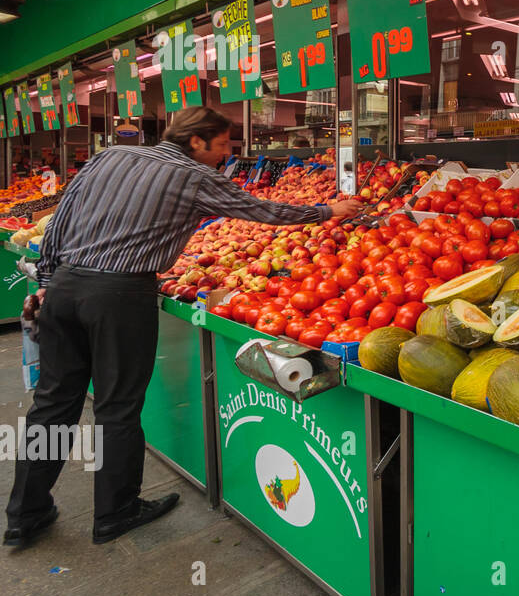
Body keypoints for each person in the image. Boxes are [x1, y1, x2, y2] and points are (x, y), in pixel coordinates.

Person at [4, 107, 363, 550]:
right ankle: (115, 513)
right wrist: (328, 209)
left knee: (51, 404)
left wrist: (44, 282)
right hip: (119, 296)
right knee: (117, 407)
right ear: (198, 142)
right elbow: (261, 211)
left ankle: (25, 514)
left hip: (64, 287)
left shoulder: (109, 156)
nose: (229, 153)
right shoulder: (195, 177)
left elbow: (59, 222)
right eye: (225, 145)